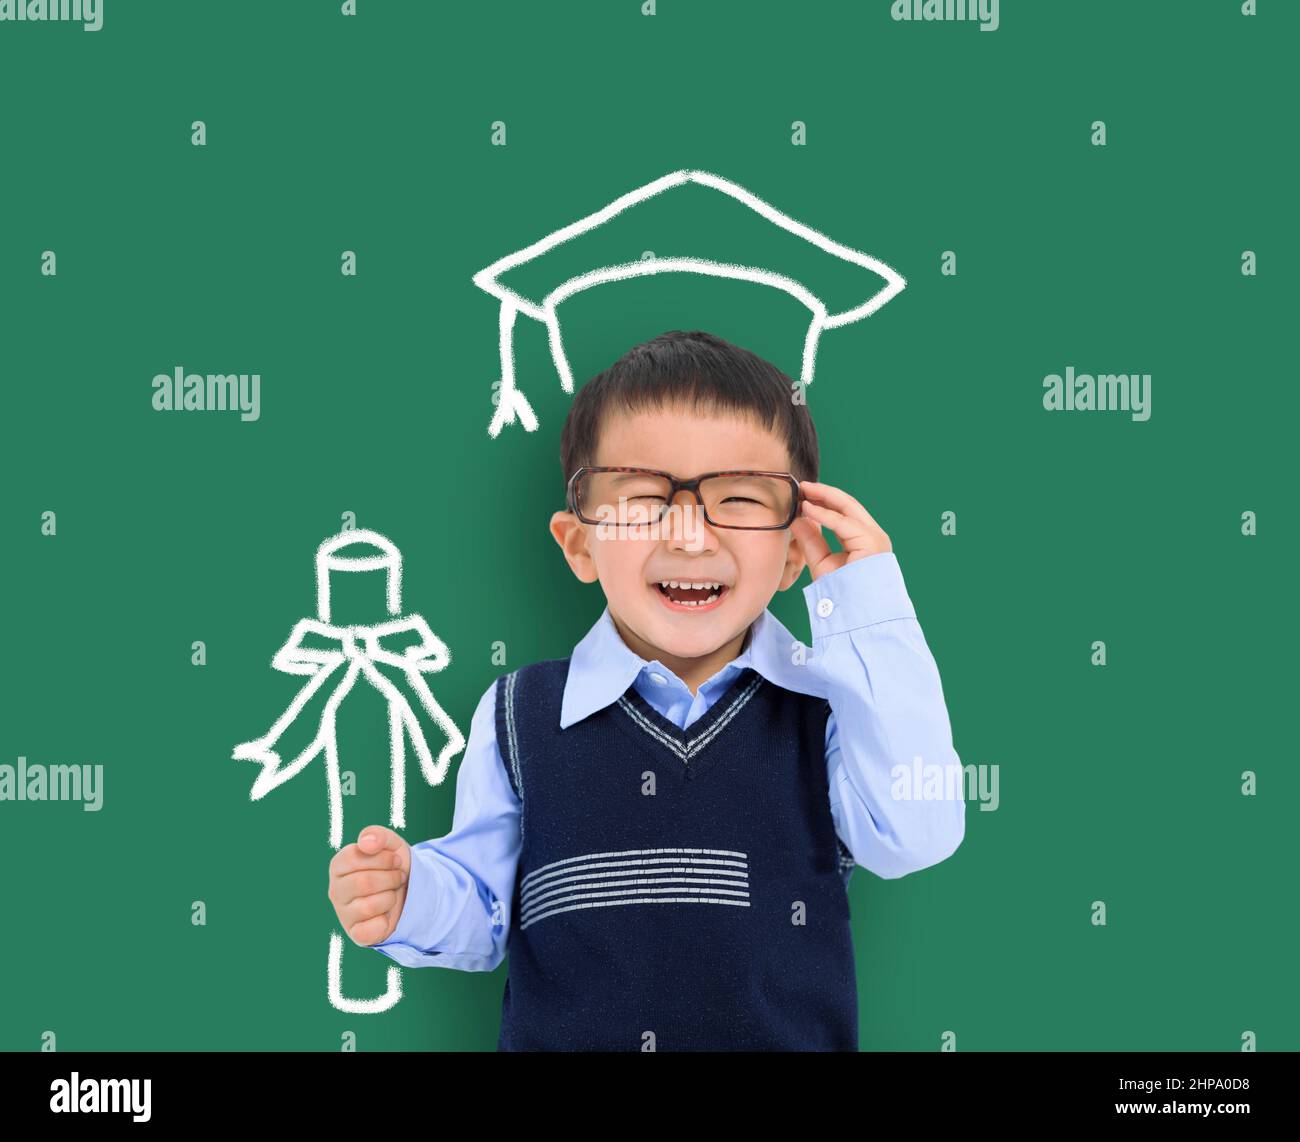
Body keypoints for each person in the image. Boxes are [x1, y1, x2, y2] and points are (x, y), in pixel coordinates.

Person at [326, 329, 965, 1051]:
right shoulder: (519, 713)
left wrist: (865, 603)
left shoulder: (827, 712)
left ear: (795, 549)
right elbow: (482, 910)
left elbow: (918, 832)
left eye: (740, 498)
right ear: (578, 543)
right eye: (644, 498)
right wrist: (413, 897)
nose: (690, 535)